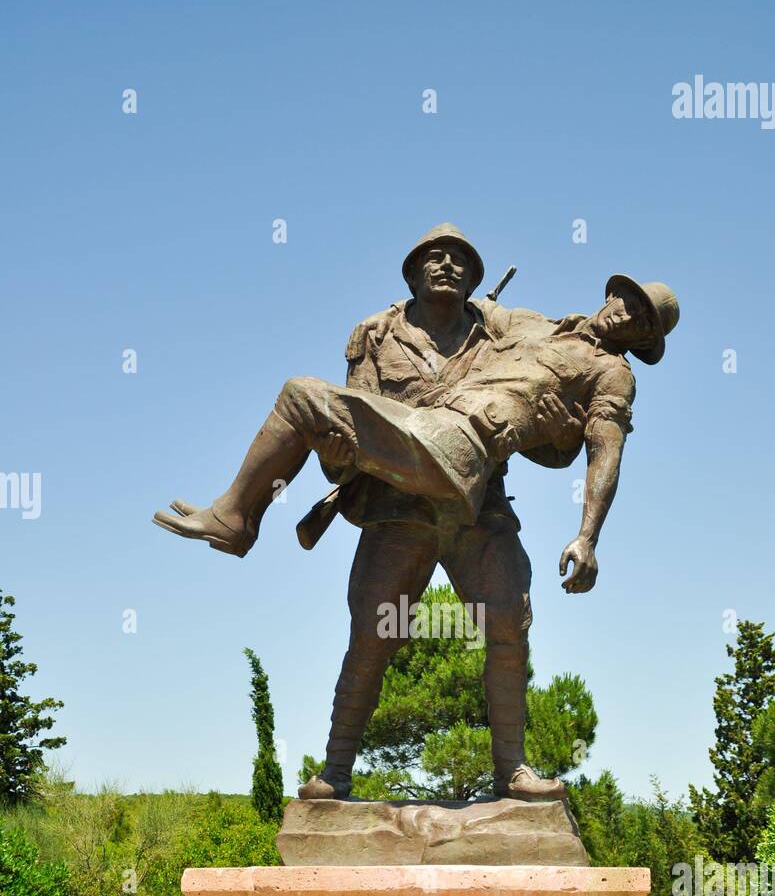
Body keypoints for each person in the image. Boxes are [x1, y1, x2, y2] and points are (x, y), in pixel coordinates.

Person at [153, 227, 678, 800]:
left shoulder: (599, 368)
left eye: (638, 317)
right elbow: (348, 458)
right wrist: (342, 446)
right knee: (370, 637)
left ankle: (513, 772)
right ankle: (335, 773)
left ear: (645, 339)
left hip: (470, 484)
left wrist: (586, 531)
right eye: (622, 298)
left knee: (508, 624)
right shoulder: (515, 324)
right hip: (400, 500)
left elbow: (600, 447)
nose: (622, 313)